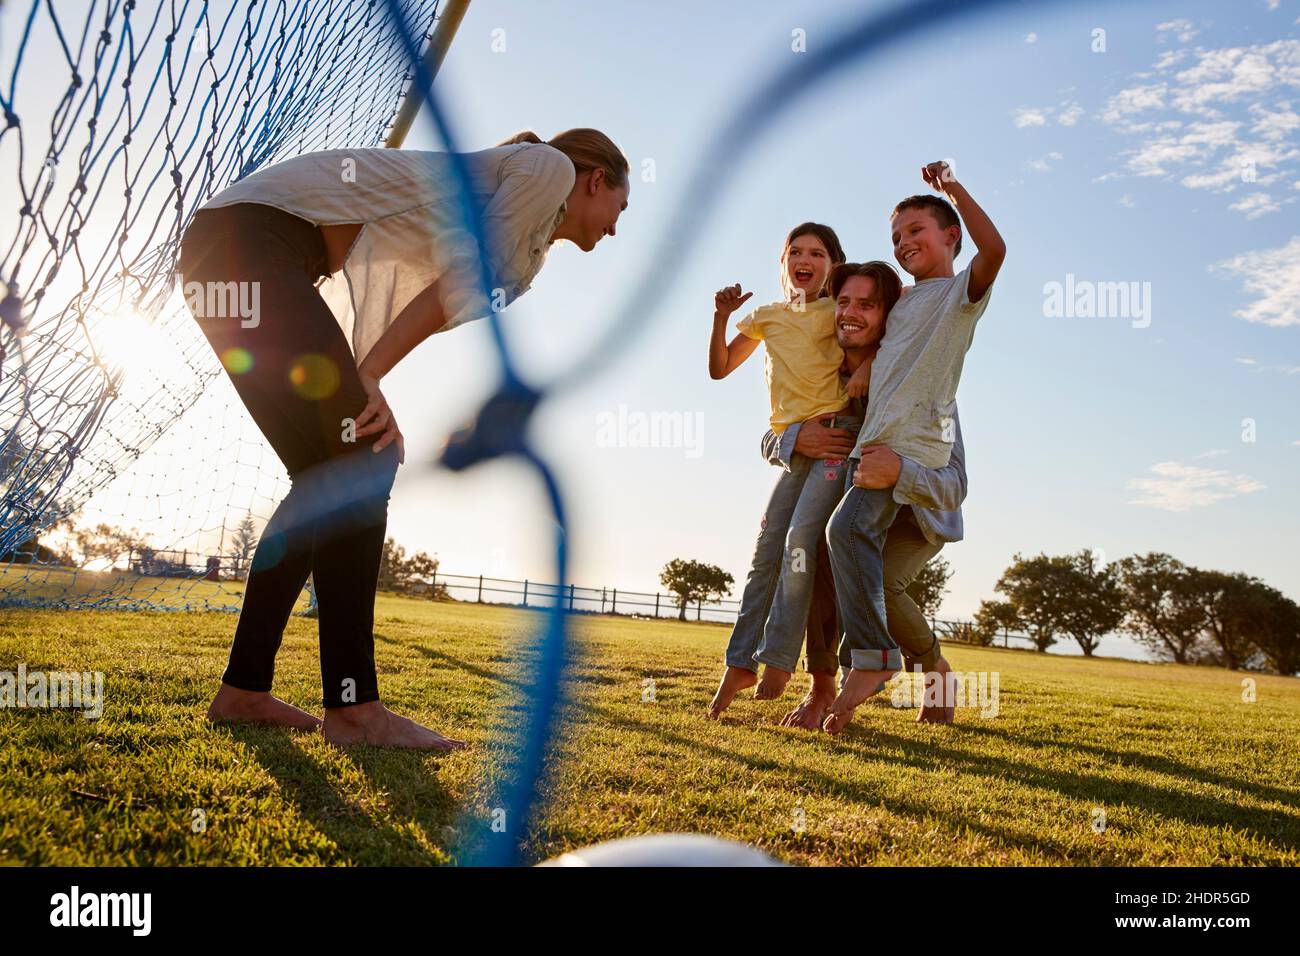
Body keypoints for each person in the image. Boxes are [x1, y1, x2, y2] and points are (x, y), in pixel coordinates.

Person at [177, 129, 630, 749]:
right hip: (251, 248)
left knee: (324, 479)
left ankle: (244, 691)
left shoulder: (531, 240)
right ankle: (355, 710)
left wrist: (364, 377)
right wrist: (368, 377)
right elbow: (461, 276)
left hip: (227, 259)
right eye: (620, 209)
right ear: (597, 180)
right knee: (368, 457)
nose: (615, 228)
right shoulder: (548, 168)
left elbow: (435, 295)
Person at [823, 161, 1004, 734]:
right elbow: (887, 337)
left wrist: (952, 189)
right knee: (874, 578)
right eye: (896, 237)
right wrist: (871, 361)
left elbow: (994, 250)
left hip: (907, 456)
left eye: (916, 231)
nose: (904, 243)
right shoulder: (901, 304)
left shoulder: (959, 296)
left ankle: (873, 661)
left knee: (843, 533)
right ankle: (935, 670)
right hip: (879, 447)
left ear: (951, 235)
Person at [760, 260, 968, 729]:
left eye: (867, 305)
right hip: (846, 519)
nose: (850, 313)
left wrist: (898, 470)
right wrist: (795, 440)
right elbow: (768, 436)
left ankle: (936, 672)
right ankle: (821, 690)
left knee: (881, 586)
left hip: (917, 518)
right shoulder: (821, 373)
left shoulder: (921, 386)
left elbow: (955, 486)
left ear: (888, 318)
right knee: (812, 550)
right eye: (845, 302)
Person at [705, 223, 872, 718]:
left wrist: (867, 365)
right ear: (783, 264)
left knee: (802, 539)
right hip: (793, 444)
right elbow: (719, 368)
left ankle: (776, 659)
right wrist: (720, 318)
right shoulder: (766, 317)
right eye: (795, 252)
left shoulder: (839, 310)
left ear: (834, 265)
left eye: (817, 253)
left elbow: (883, 323)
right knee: (766, 550)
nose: (805, 259)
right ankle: (739, 662)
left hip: (837, 438)